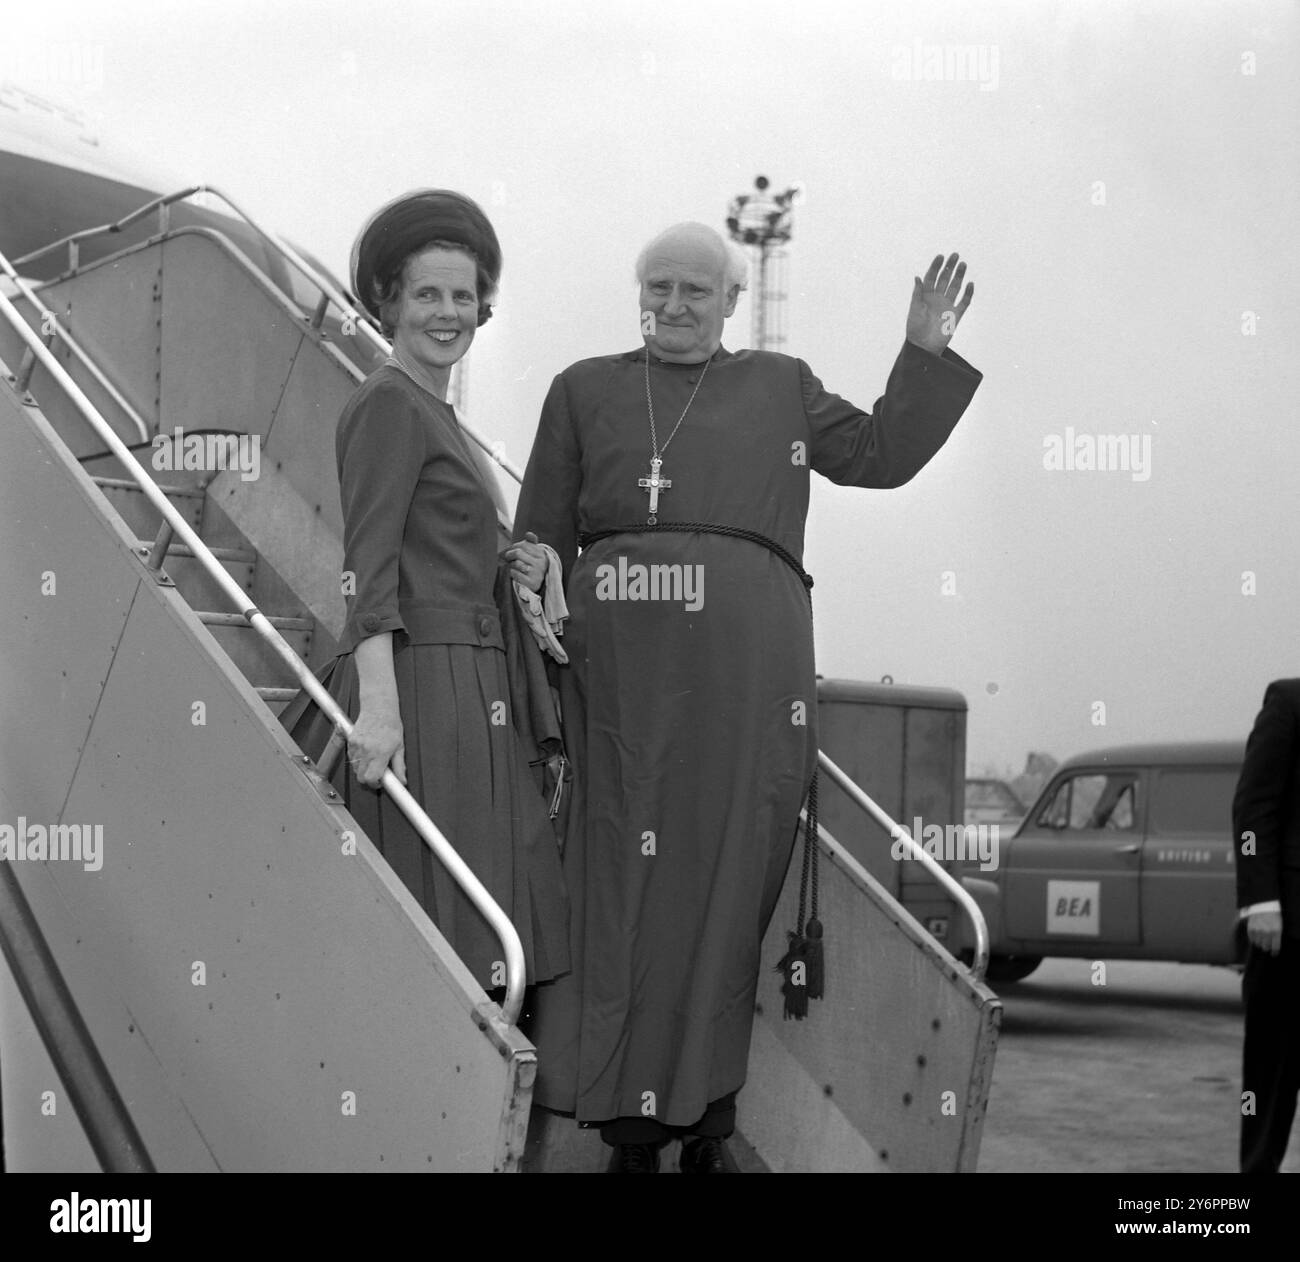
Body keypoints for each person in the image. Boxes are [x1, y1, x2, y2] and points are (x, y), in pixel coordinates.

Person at [514, 222, 981, 1172]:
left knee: (730, 883)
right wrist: (537, 612)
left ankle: (707, 1118)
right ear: (639, 295)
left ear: (733, 302)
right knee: (619, 886)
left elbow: (883, 454)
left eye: (697, 291)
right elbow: (539, 537)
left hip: (748, 677)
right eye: (660, 288)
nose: (676, 306)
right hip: (620, 684)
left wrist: (922, 354)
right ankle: (631, 1125)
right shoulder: (581, 389)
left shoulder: (782, 384)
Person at [282, 189, 569, 991]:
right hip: (423, 681)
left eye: (463, 296)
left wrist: (526, 558)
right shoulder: (386, 405)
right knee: (447, 934)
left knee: (474, 934)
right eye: (427, 294)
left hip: (471, 687)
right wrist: (379, 707)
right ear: (389, 303)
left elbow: (449, 544)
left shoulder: (433, 413)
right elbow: (368, 567)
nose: (448, 313)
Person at [1234, 679, 1300, 1173]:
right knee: (1271, 1075)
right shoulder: (1290, 700)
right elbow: (1254, 810)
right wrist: (1260, 900)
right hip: (1288, 928)